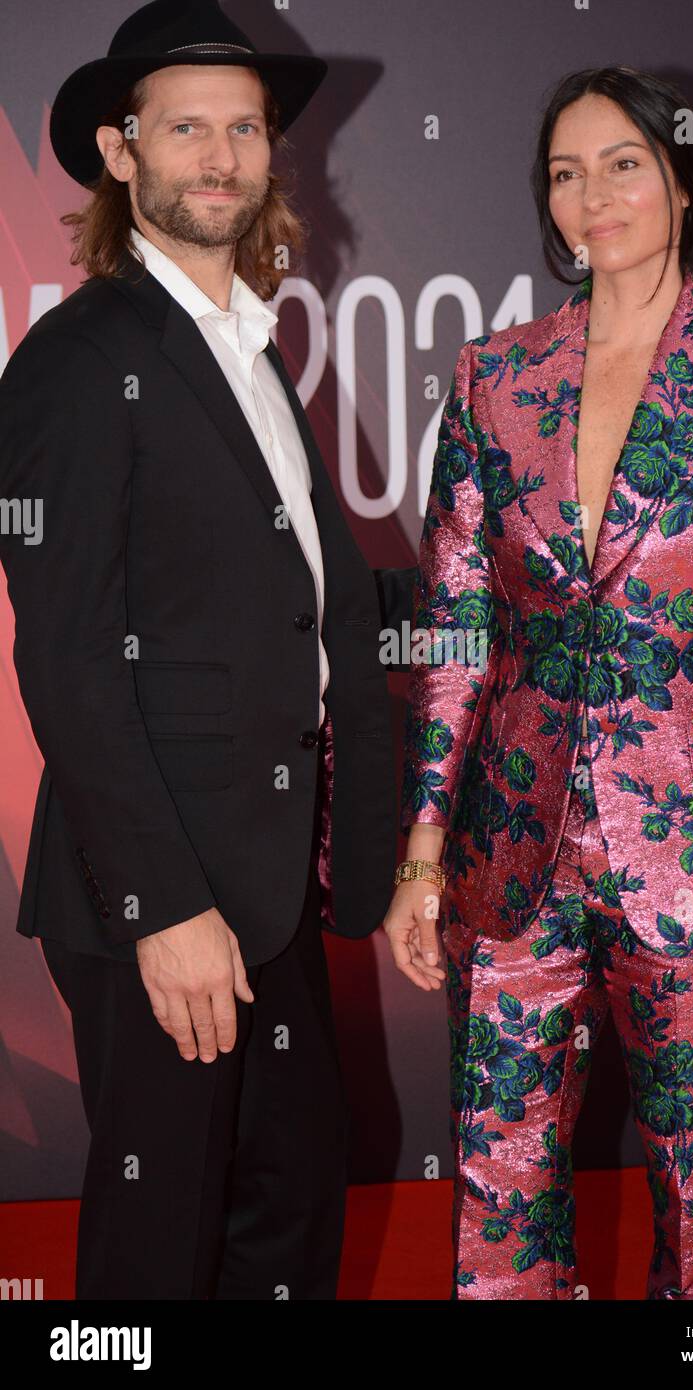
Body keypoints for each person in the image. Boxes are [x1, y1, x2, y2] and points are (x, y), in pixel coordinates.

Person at [385, 65, 693, 1299]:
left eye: (622, 163)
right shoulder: (492, 377)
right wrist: (423, 847)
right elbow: (456, 628)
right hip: (508, 850)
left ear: (682, 184)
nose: (593, 195)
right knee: (501, 1202)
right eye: (564, 173)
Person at [0, 0, 415, 1300]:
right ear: (121, 154)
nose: (221, 155)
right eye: (187, 127)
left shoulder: (248, 348)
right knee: (160, 1235)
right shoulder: (84, 358)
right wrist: (165, 907)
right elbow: (67, 659)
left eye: (243, 127)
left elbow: (307, 614)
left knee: (287, 1193)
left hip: (266, 883)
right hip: (160, 893)